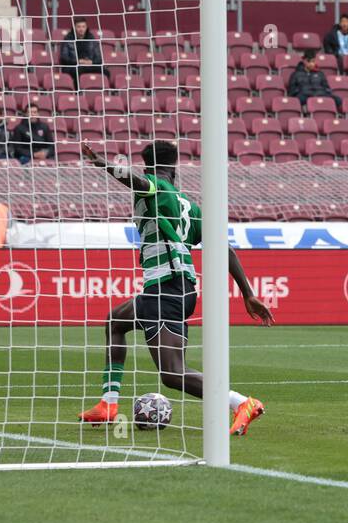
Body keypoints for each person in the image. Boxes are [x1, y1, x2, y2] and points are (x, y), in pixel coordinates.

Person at [78, 141, 274, 435]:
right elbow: (224, 248)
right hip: (174, 287)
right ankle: (108, 404)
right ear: (175, 166)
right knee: (115, 321)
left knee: (172, 373)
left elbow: (137, 181)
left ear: (149, 167)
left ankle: (242, 402)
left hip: (166, 288)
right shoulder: (189, 206)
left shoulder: (155, 186)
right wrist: (248, 293)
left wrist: (102, 163)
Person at [57, 18, 105, 86]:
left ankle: (100, 93)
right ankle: (79, 93)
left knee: (105, 72)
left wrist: (91, 62)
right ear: (74, 27)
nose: (81, 29)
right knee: (78, 71)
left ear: (86, 27)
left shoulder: (91, 38)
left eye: (83, 26)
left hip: (89, 65)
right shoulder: (68, 39)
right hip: (73, 66)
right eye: (79, 27)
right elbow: (64, 58)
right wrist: (79, 61)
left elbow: (99, 59)